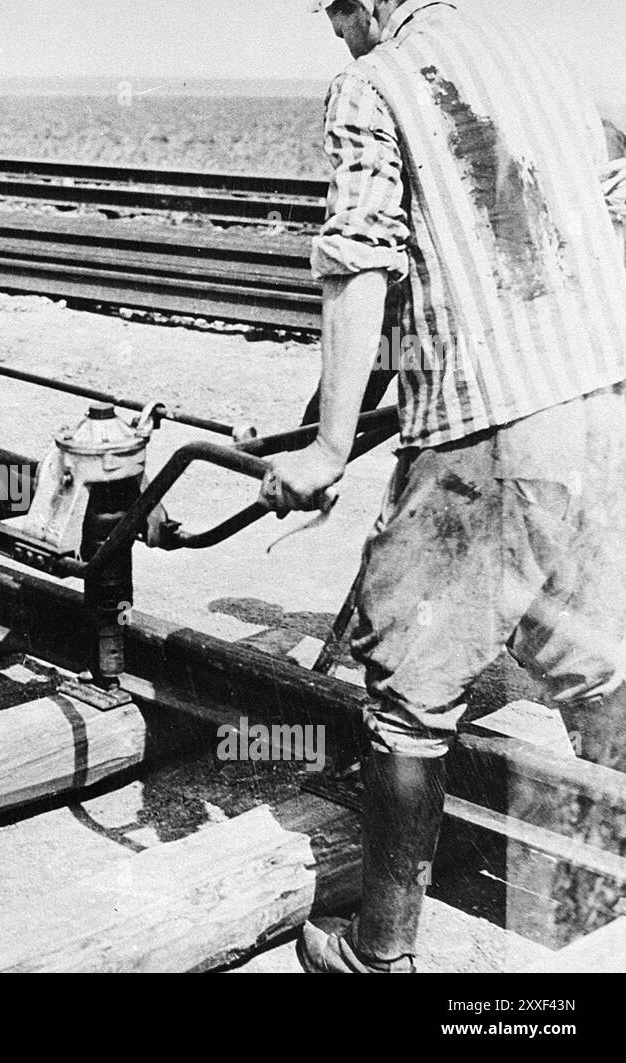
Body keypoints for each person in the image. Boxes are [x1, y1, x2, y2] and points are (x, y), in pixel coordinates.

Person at [265, 0, 626, 972]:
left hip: (489, 433)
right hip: (600, 405)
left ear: (368, 1)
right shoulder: (540, 52)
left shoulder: (373, 83)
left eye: (334, 15)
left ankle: (377, 953)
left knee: (410, 699)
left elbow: (359, 268)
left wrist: (327, 446)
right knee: (600, 667)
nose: (336, 35)